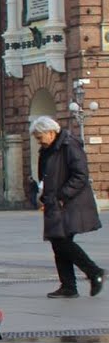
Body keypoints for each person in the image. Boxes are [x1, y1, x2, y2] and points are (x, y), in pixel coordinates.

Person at [31, 115, 103, 298]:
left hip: (70, 202)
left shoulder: (69, 145)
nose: (39, 141)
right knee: (58, 242)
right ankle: (69, 286)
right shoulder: (49, 148)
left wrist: (63, 195)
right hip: (56, 202)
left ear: (50, 132)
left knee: (62, 242)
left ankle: (93, 272)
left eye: (40, 137)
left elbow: (80, 175)